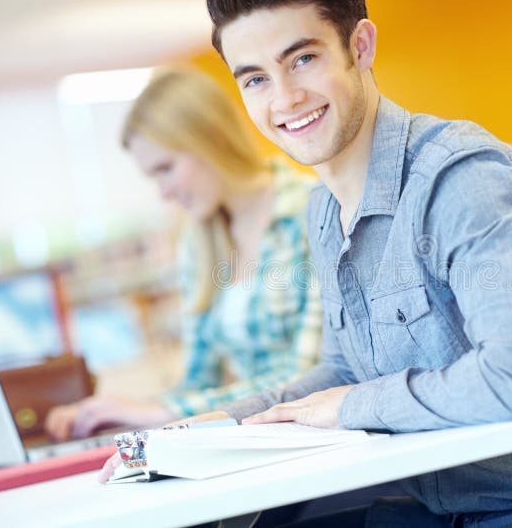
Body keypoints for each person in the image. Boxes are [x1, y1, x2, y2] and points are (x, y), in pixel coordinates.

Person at [100, 0, 512, 526]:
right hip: (446, 511)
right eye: (255, 79)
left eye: (302, 59)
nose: (284, 99)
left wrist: (352, 406)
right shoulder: (323, 213)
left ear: (360, 46)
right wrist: (212, 427)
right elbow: (341, 374)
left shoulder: (463, 180)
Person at [46, 67, 323, 440]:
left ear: (209, 139)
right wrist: (121, 413)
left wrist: (165, 412)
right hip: (255, 437)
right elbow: (199, 381)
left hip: (316, 438)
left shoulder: (313, 211)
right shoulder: (199, 240)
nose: (163, 192)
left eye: (166, 168)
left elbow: (312, 376)